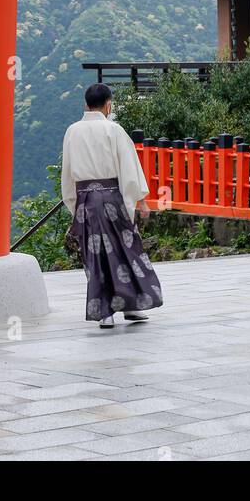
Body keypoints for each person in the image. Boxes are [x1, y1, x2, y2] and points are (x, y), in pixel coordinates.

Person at [61, 83, 163, 329]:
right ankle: (132, 305)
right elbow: (129, 169)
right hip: (112, 200)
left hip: (86, 202)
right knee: (126, 252)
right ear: (108, 104)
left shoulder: (72, 131)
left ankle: (105, 312)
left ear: (86, 104)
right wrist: (140, 201)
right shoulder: (113, 129)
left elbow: (68, 175)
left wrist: (75, 206)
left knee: (95, 257)